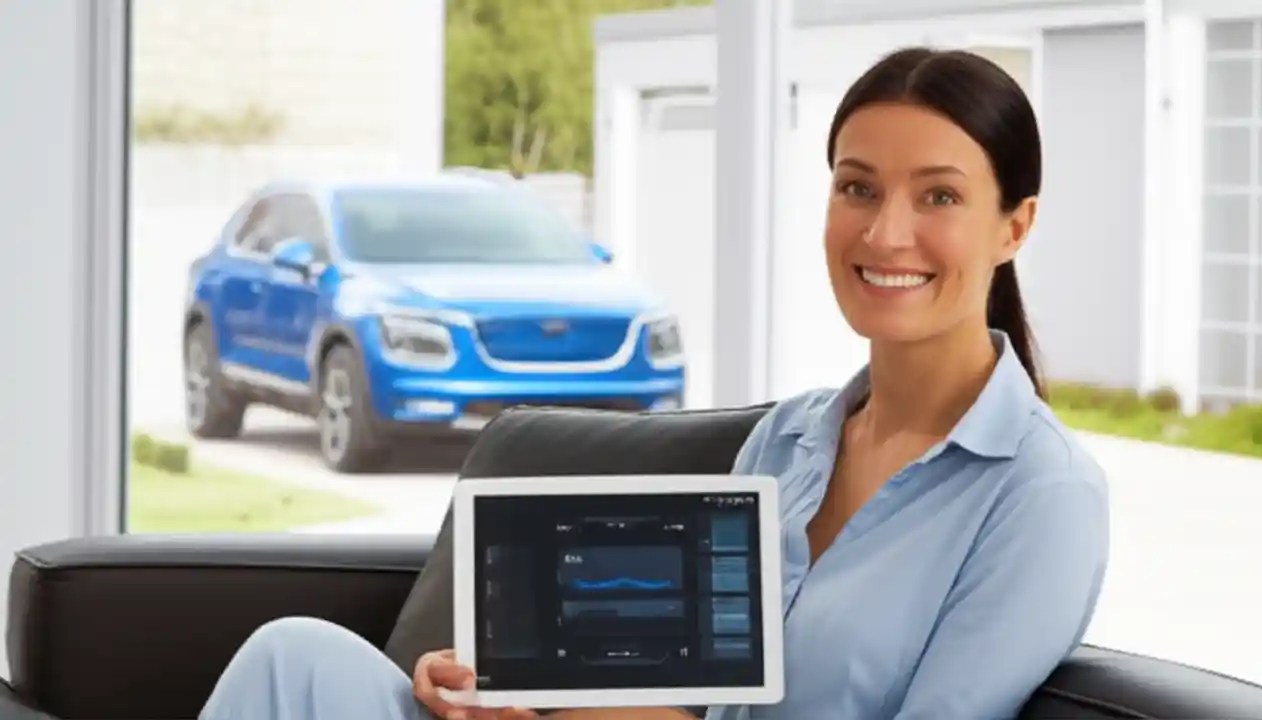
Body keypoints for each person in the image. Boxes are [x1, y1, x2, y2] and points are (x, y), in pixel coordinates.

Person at [198, 46, 1109, 720]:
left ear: (1014, 226)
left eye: (939, 197)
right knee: (297, 660)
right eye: (858, 188)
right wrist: (505, 692)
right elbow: (672, 694)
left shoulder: (1040, 495)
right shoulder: (788, 443)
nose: (884, 234)